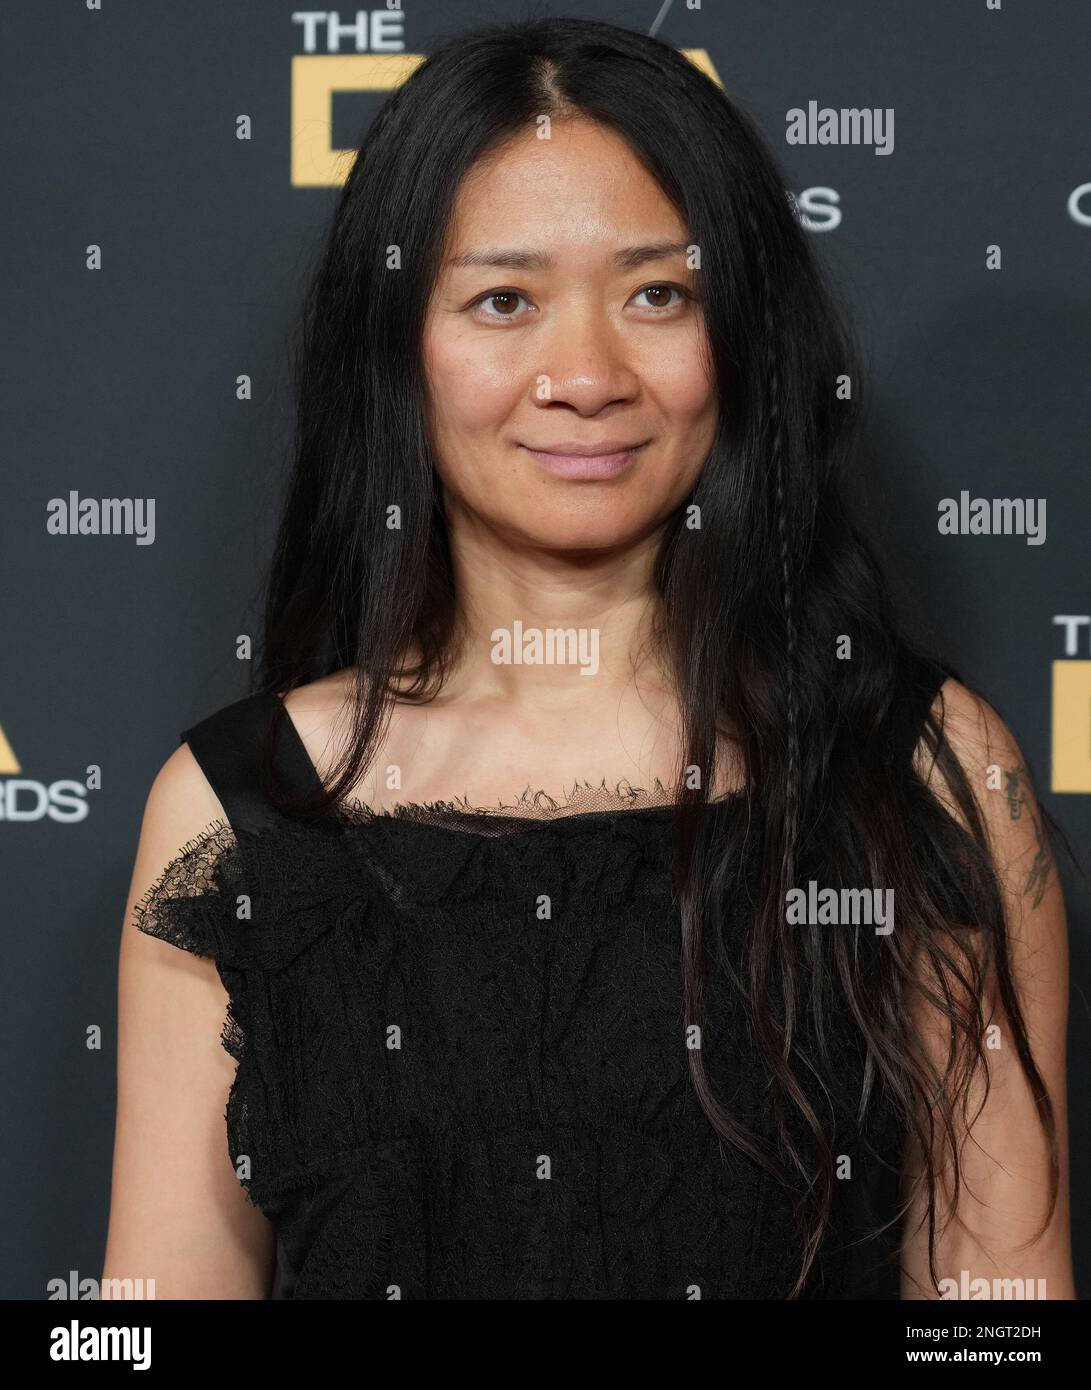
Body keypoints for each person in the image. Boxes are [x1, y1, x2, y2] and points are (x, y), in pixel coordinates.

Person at [102, 17, 1073, 1299]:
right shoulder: (240, 809)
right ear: (396, 343)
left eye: (656, 295)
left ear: (739, 337)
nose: (584, 373)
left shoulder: (927, 770)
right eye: (503, 300)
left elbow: (998, 1312)